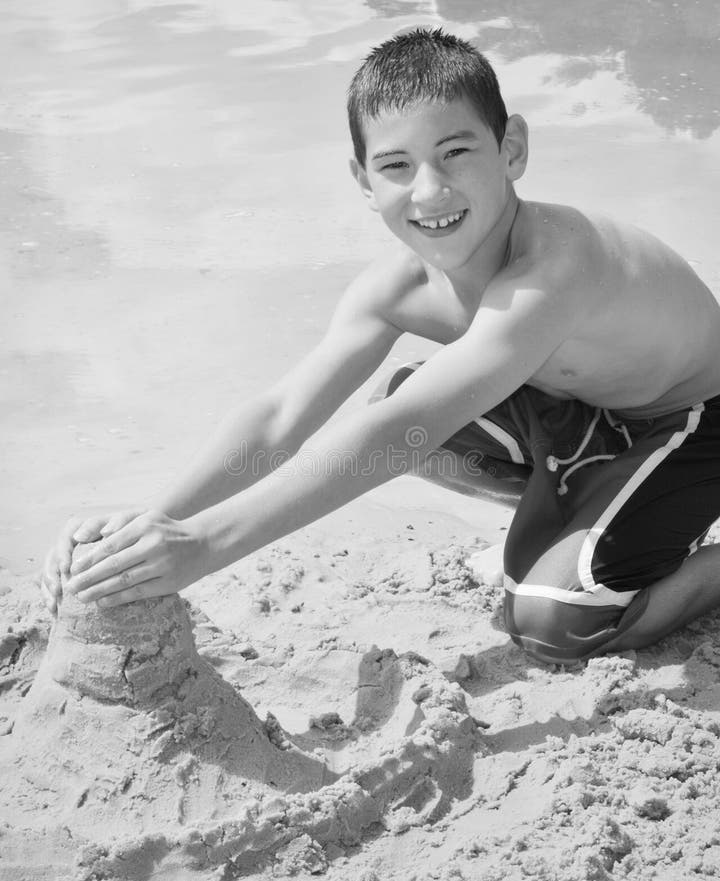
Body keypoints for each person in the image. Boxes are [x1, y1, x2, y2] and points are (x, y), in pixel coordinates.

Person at [41, 28, 720, 665]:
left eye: (456, 152)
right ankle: (592, 509)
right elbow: (282, 417)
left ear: (511, 148)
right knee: (396, 400)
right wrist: (157, 525)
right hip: (586, 411)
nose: (429, 190)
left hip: (694, 422)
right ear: (364, 181)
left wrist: (206, 547)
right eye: (396, 165)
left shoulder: (557, 264)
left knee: (552, 622)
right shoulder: (394, 288)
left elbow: (408, 425)